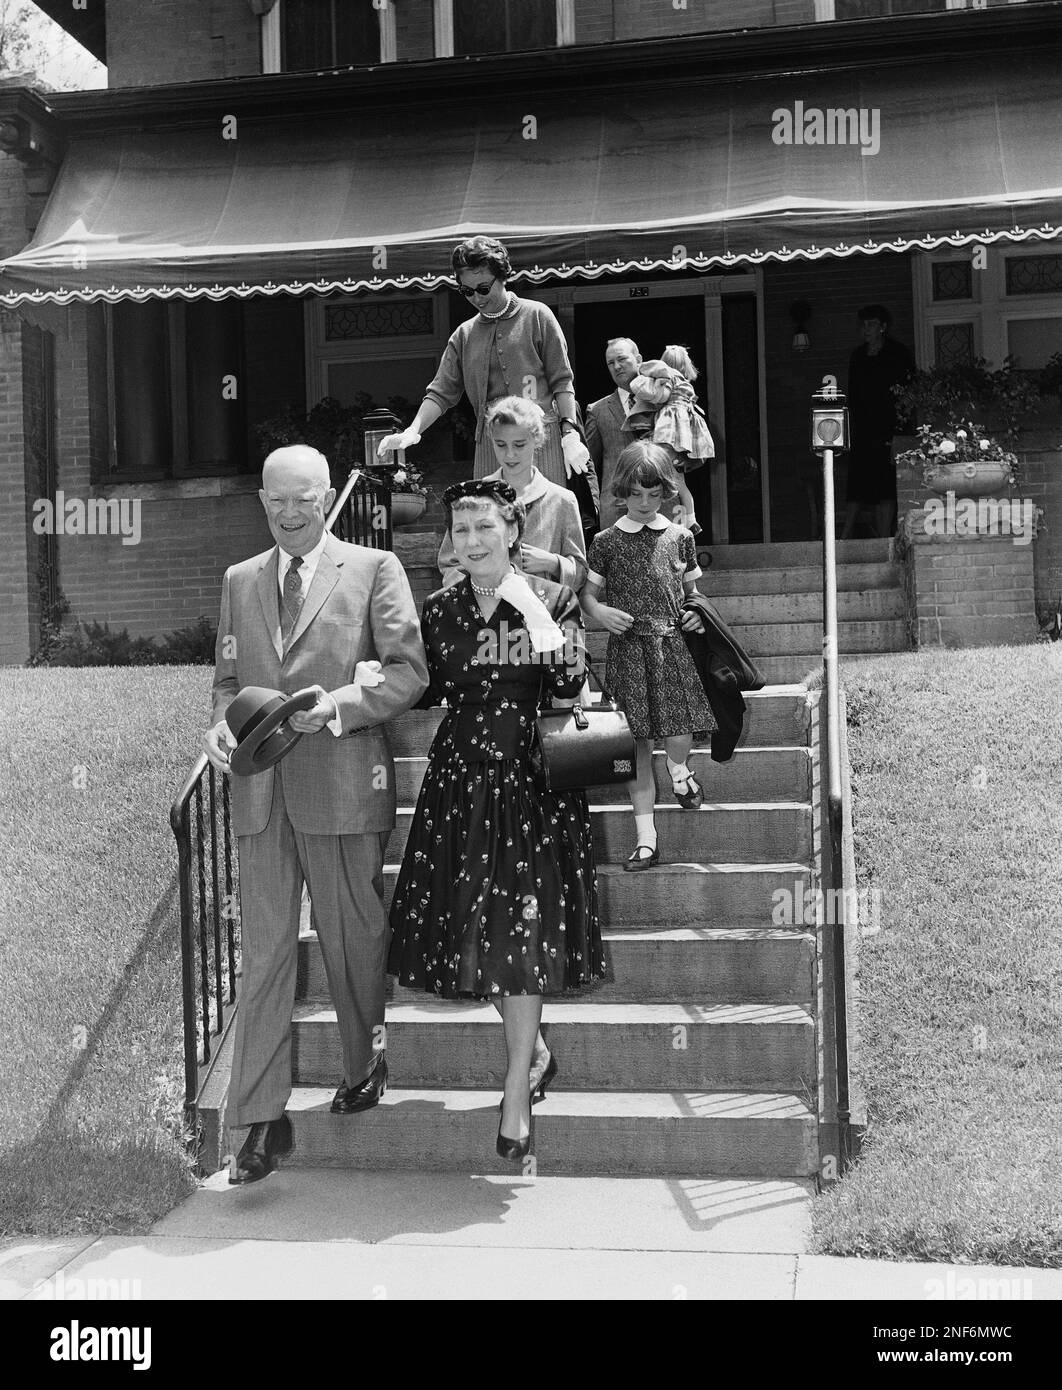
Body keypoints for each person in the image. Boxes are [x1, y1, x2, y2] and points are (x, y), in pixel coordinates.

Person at [202, 445, 428, 1185]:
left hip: (342, 780)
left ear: (328, 495)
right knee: (264, 956)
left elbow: (408, 673)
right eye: (278, 501)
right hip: (260, 795)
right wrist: (221, 726)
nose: (292, 514)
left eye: (305, 499)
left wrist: (340, 705)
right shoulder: (239, 580)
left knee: (351, 939)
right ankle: (260, 1124)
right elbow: (230, 679)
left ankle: (366, 1058)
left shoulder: (372, 570)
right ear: (261, 501)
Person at [388, 478, 604, 1162]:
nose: (472, 540)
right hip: (459, 781)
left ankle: (515, 1091)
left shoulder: (548, 597)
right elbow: (423, 687)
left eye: (485, 527)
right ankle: (534, 1047)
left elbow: (576, 686)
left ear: (513, 532)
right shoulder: (441, 609)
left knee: (523, 931)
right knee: (468, 925)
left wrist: (540, 625)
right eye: (461, 529)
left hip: (531, 783)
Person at [376, 235, 597, 507]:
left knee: (544, 518)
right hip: (491, 447)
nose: (476, 298)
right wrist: (413, 429)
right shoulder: (464, 335)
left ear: (502, 276)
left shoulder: (537, 315)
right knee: (492, 522)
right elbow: (441, 392)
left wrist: (570, 433)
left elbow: (562, 381)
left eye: (482, 288)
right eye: (467, 291)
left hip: (541, 442)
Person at [581, 443, 716, 872]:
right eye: (636, 494)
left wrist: (696, 614)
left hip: (671, 645)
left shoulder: (679, 539)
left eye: (653, 495)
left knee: (680, 731)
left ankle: (678, 770)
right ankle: (646, 839)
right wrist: (600, 612)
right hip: (628, 651)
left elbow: (694, 595)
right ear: (622, 491)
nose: (644, 503)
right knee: (636, 745)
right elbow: (587, 596)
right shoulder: (605, 542)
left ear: (666, 493)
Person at [436, 396, 586, 591]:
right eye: (501, 444)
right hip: (486, 617)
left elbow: (581, 573)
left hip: (544, 614)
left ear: (537, 439)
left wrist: (553, 563)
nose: (510, 454)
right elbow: (449, 564)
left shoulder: (562, 500)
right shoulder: (473, 496)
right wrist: (475, 598)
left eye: (519, 444)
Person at [841, 304, 915, 539]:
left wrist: (901, 429)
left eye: (871, 324)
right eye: (863, 325)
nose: (866, 329)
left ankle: (884, 538)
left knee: (885, 485)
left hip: (889, 428)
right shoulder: (858, 356)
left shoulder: (898, 353)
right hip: (863, 429)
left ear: (883, 327)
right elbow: (852, 393)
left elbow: (910, 390)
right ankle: (845, 534)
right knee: (859, 482)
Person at [623, 344, 713, 535]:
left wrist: (644, 380)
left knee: (654, 461)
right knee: (680, 482)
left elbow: (659, 396)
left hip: (669, 432)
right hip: (684, 438)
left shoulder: (669, 379)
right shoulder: (686, 384)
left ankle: (659, 508)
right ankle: (691, 519)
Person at [586, 337, 649, 530]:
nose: (616, 366)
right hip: (616, 511)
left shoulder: (664, 400)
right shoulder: (597, 411)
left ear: (638, 359)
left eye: (621, 359)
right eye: (610, 363)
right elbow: (589, 468)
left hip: (660, 504)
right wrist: (593, 507)